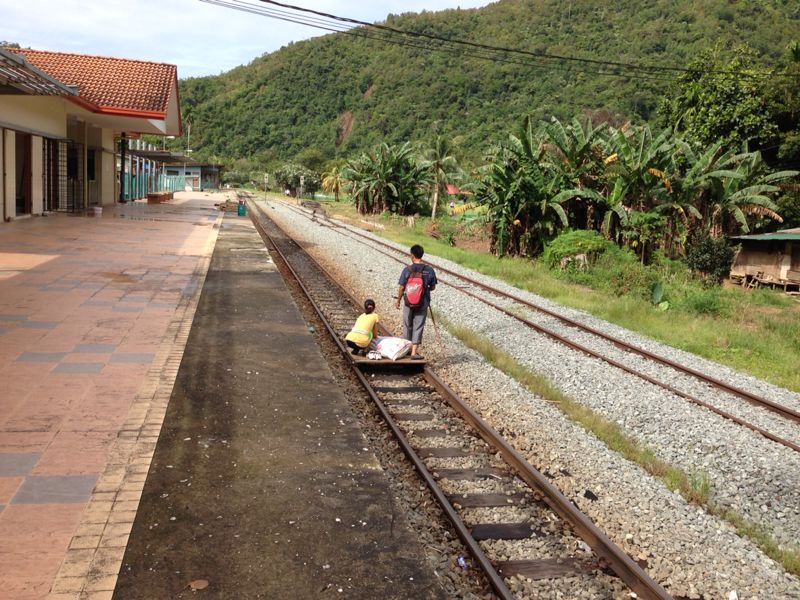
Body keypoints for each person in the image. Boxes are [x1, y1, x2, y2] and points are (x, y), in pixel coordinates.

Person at [395, 244, 437, 360]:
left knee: (407, 324)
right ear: (421, 255)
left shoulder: (407, 270)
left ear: (412, 255)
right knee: (418, 326)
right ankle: (413, 352)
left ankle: (406, 350)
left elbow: (402, 287)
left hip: (408, 302)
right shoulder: (429, 270)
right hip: (423, 302)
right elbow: (433, 287)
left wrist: (398, 300)